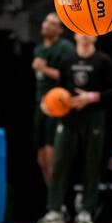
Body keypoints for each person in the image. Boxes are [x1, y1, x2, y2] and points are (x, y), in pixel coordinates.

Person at [39, 34, 112, 223]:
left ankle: (86, 212)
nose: (84, 35)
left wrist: (91, 97)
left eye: (89, 31)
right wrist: (50, 105)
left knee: (92, 164)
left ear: (95, 36)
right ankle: (54, 210)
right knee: (59, 163)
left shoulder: (103, 61)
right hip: (68, 117)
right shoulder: (67, 61)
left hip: (94, 116)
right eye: (81, 31)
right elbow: (58, 92)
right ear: (75, 35)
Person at [32, 13, 77, 188]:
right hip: (40, 104)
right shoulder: (38, 49)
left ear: (60, 30)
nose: (47, 25)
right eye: (46, 21)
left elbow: (67, 76)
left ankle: (58, 203)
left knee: (52, 156)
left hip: (57, 104)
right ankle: (52, 199)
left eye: (53, 23)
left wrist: (44, 69)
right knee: (41, 159)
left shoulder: (65, 47)